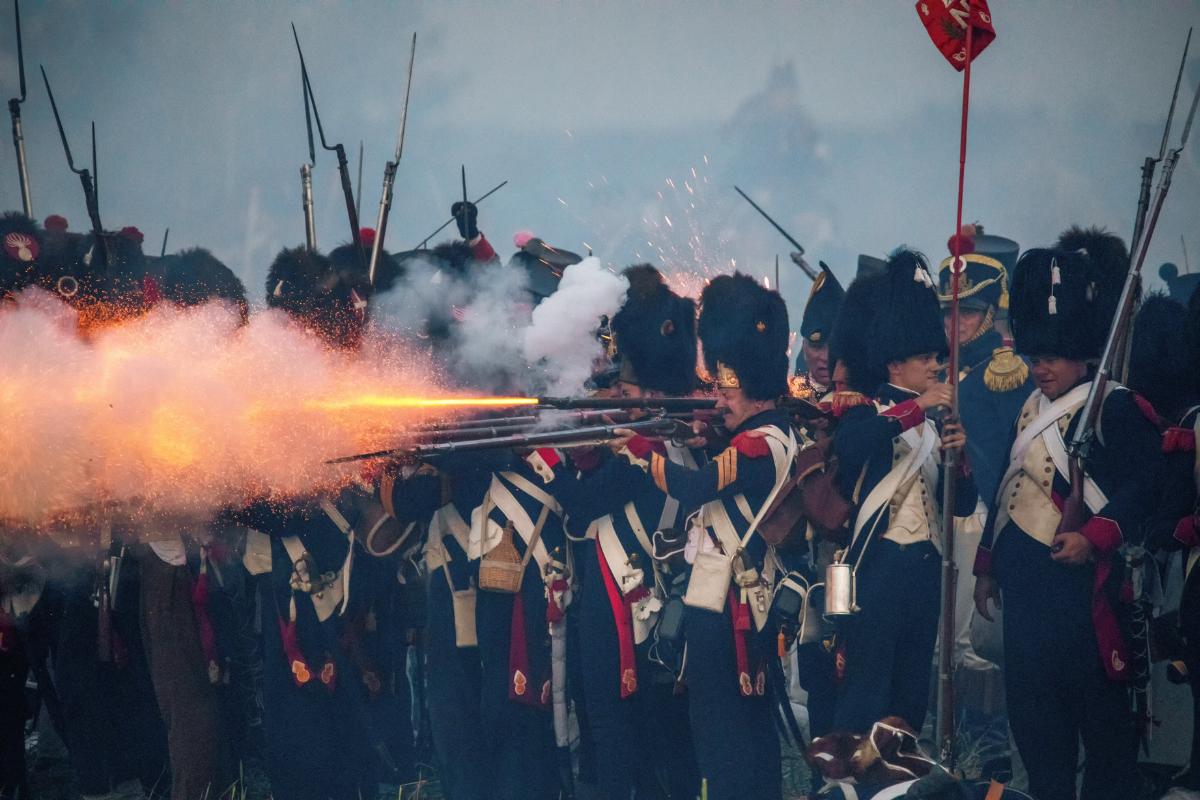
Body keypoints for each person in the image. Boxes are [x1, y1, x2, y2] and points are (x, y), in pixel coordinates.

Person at [972, 227, 1164, 800]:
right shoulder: (1030, 408)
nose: (1039, 369)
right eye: (1034, 357)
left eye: (1050, 357)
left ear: (1082, 351)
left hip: (1082, 600)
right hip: (1028, 603)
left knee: (1102, 739)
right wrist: (986, 564)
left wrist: (1097, 536)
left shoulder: (1114, 405)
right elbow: (1009, 489)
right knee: (1038, 734)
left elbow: (1149, 484)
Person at [613, 271, 795, 799]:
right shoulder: (755, 434)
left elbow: (695, 488)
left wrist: (643, 449)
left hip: (730, 613)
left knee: (728, 744)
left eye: (726, 388)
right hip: (722, 607)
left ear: (749, 382)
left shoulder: (761, 444)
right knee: (731, 740)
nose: (719, 399)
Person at [560, 264, 701, 799]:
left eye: (627, 384)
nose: (617, 390)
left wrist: (549, 456)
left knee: (627, 744)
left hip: (631, 608)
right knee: (657, 744)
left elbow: (577, 505)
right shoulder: (673, 436)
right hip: (652, 608)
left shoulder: (641, 450)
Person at [829, 248, 975, 734]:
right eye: (925, 358)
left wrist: (961, 458)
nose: (936, 366)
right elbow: (852, 446)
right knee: (867, 694)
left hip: (925, 570)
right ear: (895, 365)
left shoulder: (937, 425)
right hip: (880, 567)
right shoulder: (866, 411)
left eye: (938, 357)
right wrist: (918, 410)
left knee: (909, 698)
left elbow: (964, 505)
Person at [793, 262, 845, 395]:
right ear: (804, 347)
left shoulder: (869, 405)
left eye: (834, 346)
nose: (826, 357)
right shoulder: (786, 399)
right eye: (817, 346)